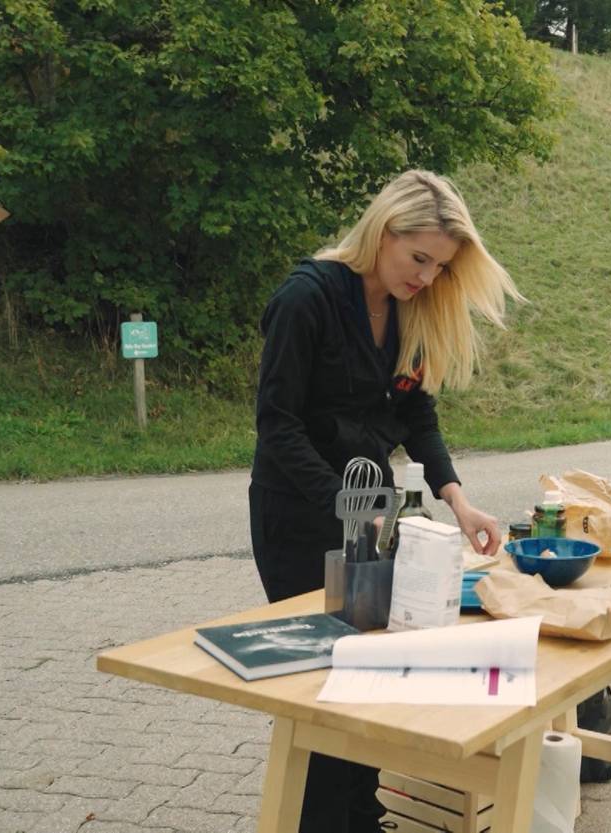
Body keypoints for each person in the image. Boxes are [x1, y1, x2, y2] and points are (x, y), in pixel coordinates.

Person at [249, 169, 509, 833]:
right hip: (298, 516)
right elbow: (276, 423)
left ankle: (361, 816)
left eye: (439, 266)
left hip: (371, 517)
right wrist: (342, 501)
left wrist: (459, 499)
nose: (426, 277)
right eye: (418, 257)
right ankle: (317, 821)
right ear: (383, 230)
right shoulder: (305, 299)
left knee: (366, 669)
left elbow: (416, 413)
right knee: (318, 677)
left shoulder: (408, 309)